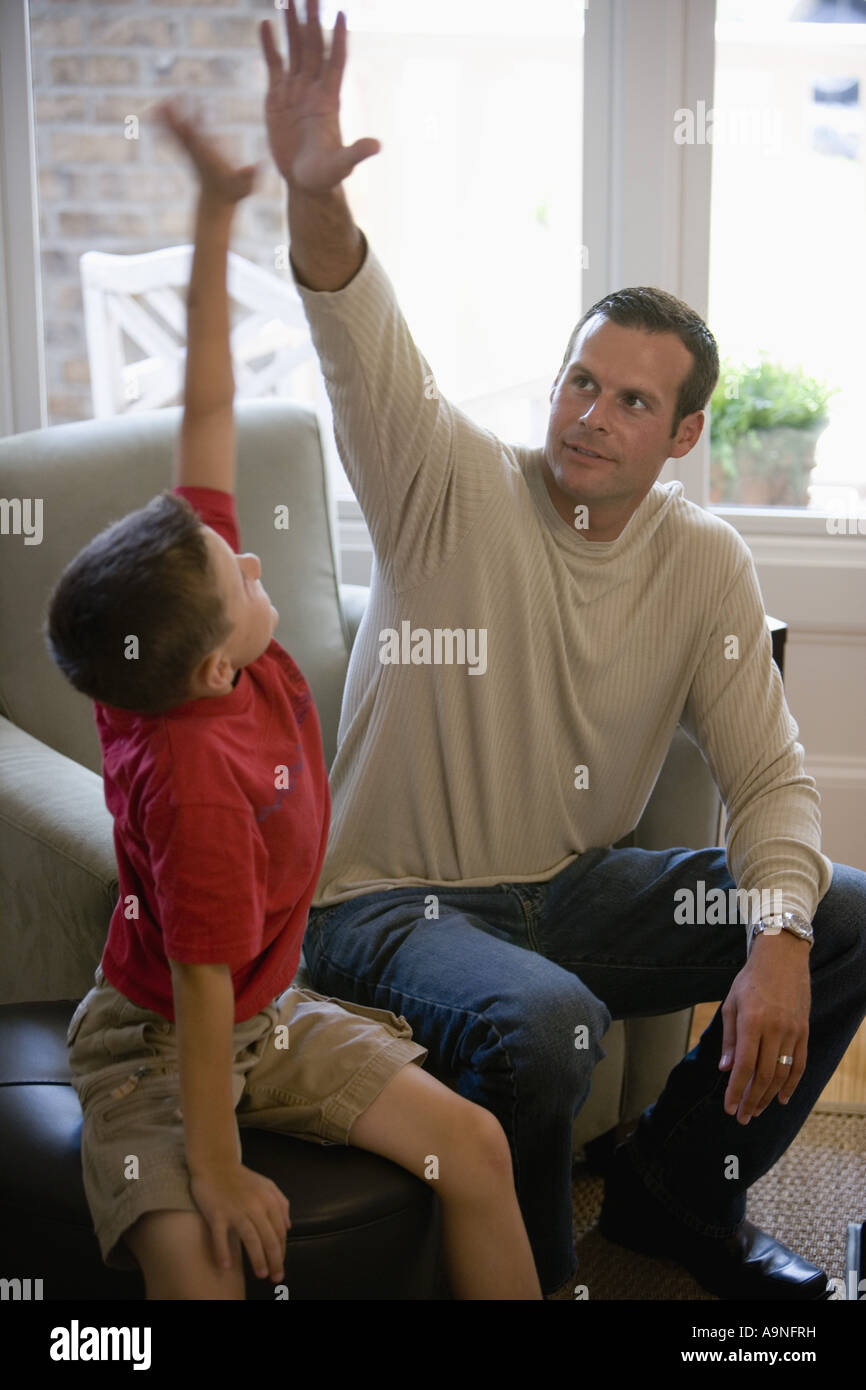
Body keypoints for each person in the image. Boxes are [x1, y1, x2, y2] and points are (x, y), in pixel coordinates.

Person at [259, 1, 866, 1300]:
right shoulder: (445, 483)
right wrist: (314, 199)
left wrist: (777, 935)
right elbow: (355, 334)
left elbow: (770, 776)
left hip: (561, 888)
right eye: (578, 380)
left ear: (684, 433)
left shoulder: (700, 559)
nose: (590, 415)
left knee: (847, 912)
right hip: (384, 901)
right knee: (547, 1020)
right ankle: (531, 1284)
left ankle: (672, 1199)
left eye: (632, 399)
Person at [45, 96, 541, 1302]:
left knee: (472, 1148)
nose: (249, 555)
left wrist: (220, 215)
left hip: (270, 1007)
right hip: (157, 1044)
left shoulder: (169, 627)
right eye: (237, 573)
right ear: (215, 672)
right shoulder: (199, 780)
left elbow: (203, 404)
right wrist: (215, 1169)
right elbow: (200, 995)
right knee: (204, 1265)